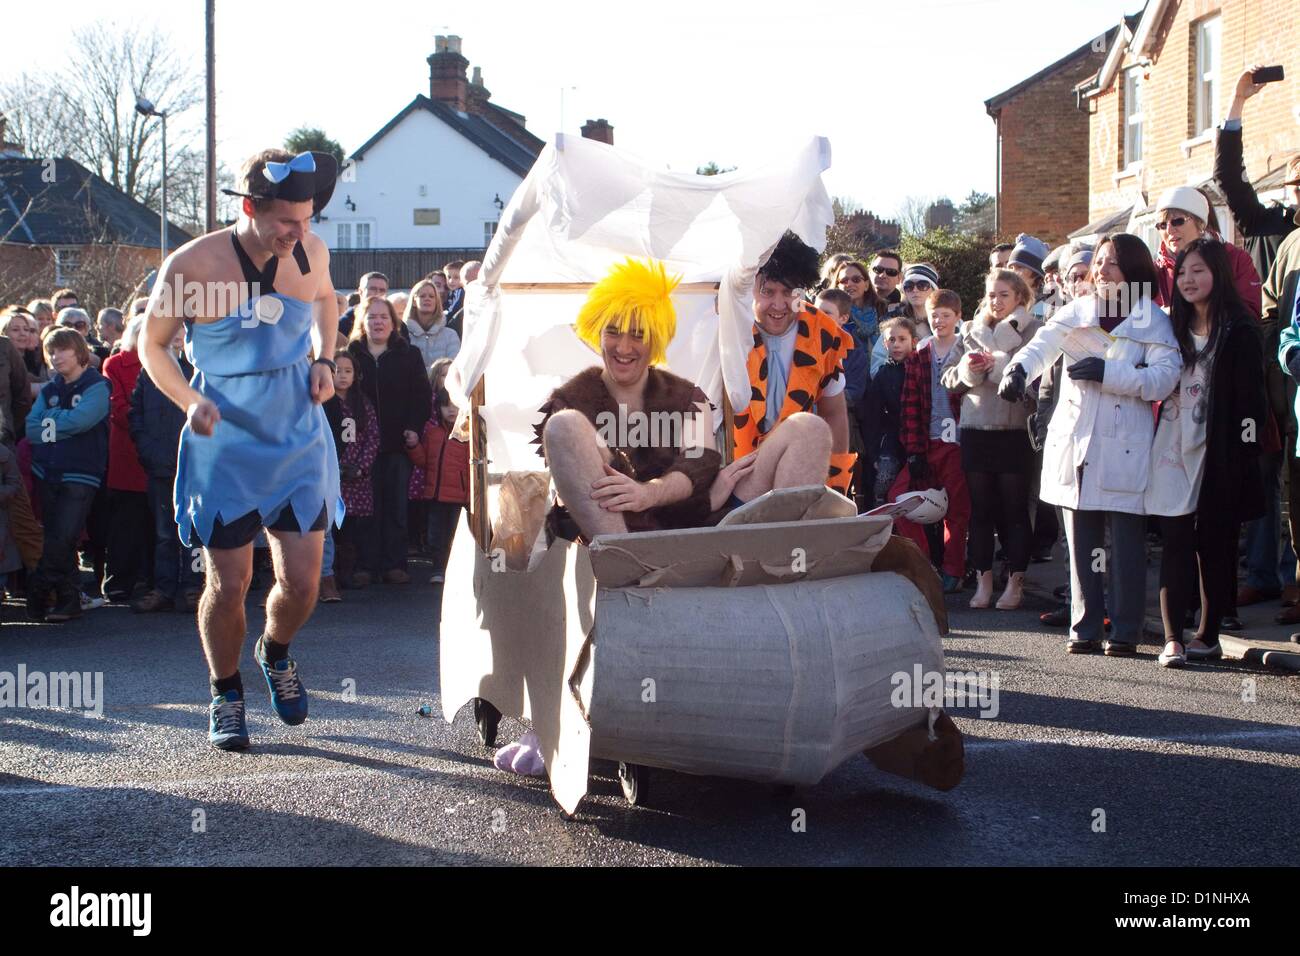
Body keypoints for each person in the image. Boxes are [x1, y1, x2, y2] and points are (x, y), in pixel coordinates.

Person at [138, 147, 344, 752]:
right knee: (229, 583)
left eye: (306, 219)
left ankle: (275, 652)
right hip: (222, 429)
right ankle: (225, 691)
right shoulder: (192, 263)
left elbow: (327, 299)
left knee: (304, 582)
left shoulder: (312, 250)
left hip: (297, 427)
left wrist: (325, 358)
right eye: (286, 221)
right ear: (251, 208)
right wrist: (186, 400)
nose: (298, 233)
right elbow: (153, 345)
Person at [1001, 233, 1181, 655]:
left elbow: (1164, 379)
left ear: (1135, 272)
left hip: (1124, 444)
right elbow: (1040, 347)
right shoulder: (1076, 312)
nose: (1101, 270)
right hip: (1075, 441)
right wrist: (1016, 371)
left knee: (1126, 545)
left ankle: (1125, 630)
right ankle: (1084, 626)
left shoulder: (1152, 321)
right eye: (1099, 261)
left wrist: (1110, 373)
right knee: (1081, 542)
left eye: (1113, 263)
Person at [534, 257, 722, 541]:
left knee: (807, 428)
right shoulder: (569, 402)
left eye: (638, 335)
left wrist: (649, 493)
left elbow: (699, 462)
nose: (623, 347)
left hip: (688, 536)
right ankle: (626, 559)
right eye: (613, 331)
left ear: (655, 339)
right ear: (597, 332)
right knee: (565, 425)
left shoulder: (688, 398)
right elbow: (587, 480)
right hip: (609, 544)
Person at [1147, 239, 1267, 667]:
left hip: (1220, 450)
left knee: (1215, 543)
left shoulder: (1239, 329)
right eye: (1181, 273)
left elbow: (1253, 402)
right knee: (1176, 540)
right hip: (1170, 448)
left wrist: (1246, 454)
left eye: (1198, 271)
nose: (1188, 280)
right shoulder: (1166, 327)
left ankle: (1209, 632)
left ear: (1217, 273)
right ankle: (1172, 637)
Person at [726, 232, 853, 507]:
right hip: (735, 474)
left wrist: (837, 481)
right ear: (750, 288)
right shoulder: (727, 326)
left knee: (810, 428)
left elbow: (834, 412)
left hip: (796, 469)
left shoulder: (824, 332)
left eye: (789, 293)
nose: (779, 305)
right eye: (768, 292)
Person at [943, 270, 1042, 610]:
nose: (996, 302)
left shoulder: (1035, 330)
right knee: (980, 511)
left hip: (1014, 431)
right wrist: (971, 370)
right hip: (975, 430)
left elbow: (1039, 382)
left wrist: (1001, 367)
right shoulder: (970, 329)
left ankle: (1015, 581)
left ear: (1019, 297)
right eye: (991, 295)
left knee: (1014, 510)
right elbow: (949, 378)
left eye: (1003, 295)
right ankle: (983, 580)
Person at [24, 327, 111, 622]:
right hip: (47, 470)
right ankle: (68, 599)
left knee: (62, 536)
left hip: (81, 472)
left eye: (62, 350)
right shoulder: (50, 389)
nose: (56, 357)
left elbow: (83, 420)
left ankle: (38, 589)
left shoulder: (96, 385)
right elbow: (32, 430)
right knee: (58, 536)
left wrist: (53, 424)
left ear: (78, 351)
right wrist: (61, 424)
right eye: (51, 352)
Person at [888, 289, 969, 593]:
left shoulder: (965, 349)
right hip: (927, 441)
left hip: (957, 442)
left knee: (958, 510)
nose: (939, 320)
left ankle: (954, 569)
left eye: (946, 315)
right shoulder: (920, 353)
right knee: (899, 498)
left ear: (958, 317)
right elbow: (910, 403)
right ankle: (922, 561)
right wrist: (913, 451)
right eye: (934, 315)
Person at [347, 294, 431, 584]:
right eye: (372, 317)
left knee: (396, 506)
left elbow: (421, 397)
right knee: (366, 508)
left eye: (383, 317)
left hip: (398, 443)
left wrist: (413, 428)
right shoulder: (352, 355)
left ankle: (396, 564)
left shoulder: (410, 354)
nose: (378, 322)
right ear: (363, 322)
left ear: (393, 323)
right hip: (361, 447)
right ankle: (366, 565)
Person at [129, 325, 202, 613]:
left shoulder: (202, 371)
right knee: (164, 534)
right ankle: (165, 587)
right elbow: (136, 414)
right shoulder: (151, 373)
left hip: (196, 466)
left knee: (195, 531)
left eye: (181, 330)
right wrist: (148, 451)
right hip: (159, 465)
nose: (175, 335)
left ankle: (195, 586)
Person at [100, 315, 152, 602]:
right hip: (128, 454)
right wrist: (147, 425)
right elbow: (117, 407)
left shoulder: (167, 363)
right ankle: (120, 581)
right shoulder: (115, 364)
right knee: (126, 523)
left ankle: (151, 580)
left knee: (155, 524)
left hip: (160, 454)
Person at [327, 349, 379, 589]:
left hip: (357, 477)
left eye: (348, 371)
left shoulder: (363, 404)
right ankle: (333, 571)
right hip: (331, 475)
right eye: (337, 371)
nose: (343, 376)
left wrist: (361, 467)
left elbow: (372, 438)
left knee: (355, 527)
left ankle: (356, 569)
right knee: (333, 525)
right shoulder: (324, 404)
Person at [408, 386, 468, 584]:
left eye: (455, 406)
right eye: (446, 406)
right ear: (438, 408)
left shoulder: (469, 434)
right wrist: (414, 446)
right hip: (435, 496)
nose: (451, 410)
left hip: (459, 497)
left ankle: (453, 570)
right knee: (435, 536)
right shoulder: (432, 433)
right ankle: (438, 568)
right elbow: (424, 462)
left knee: (454, 535)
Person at [815, 286, 869, 508]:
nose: (818, 317)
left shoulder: (854, 350)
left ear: (843, 318)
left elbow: (855, 392)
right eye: (815, 311)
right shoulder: (805, 342)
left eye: (826, 313)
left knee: (836, 495)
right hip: (808, 428)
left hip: (841, 428)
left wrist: (824, 395)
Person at [863, 315, 915, 505]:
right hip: (893, 435)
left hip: (919, 435)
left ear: (913, 341)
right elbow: (872, 415)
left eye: (902, 339)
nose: (897, 345)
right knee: (884, 476)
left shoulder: (919, 368)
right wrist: (874, 452)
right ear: (884, 344)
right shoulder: (883, 373)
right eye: (891, 340)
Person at [833, 259, 890, 377]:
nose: (849, 284)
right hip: (848, 379)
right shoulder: (833, 316)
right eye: (844, 280)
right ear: (837, 286)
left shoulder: (884, 311)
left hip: (880, 377)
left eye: (856, 279)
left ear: (866, 285)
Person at [403, 278, 459, 369]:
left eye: (431, 296)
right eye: (422, 296)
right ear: (414, 301)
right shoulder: (403, 335)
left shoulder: (450, 335)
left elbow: (452, 368)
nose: (427, 299)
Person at [895, 263, 938, 343]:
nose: (915, 290)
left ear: (933, 289)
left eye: (922, 285)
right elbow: (879, 354)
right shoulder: (894, 319)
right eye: (909, 286)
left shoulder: (948, 318)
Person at [338, 271, 389, 339]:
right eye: (373, 289)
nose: (377, 293)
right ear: (361, 292)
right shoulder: (344, 323)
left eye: (382, 290)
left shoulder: (395, 323)